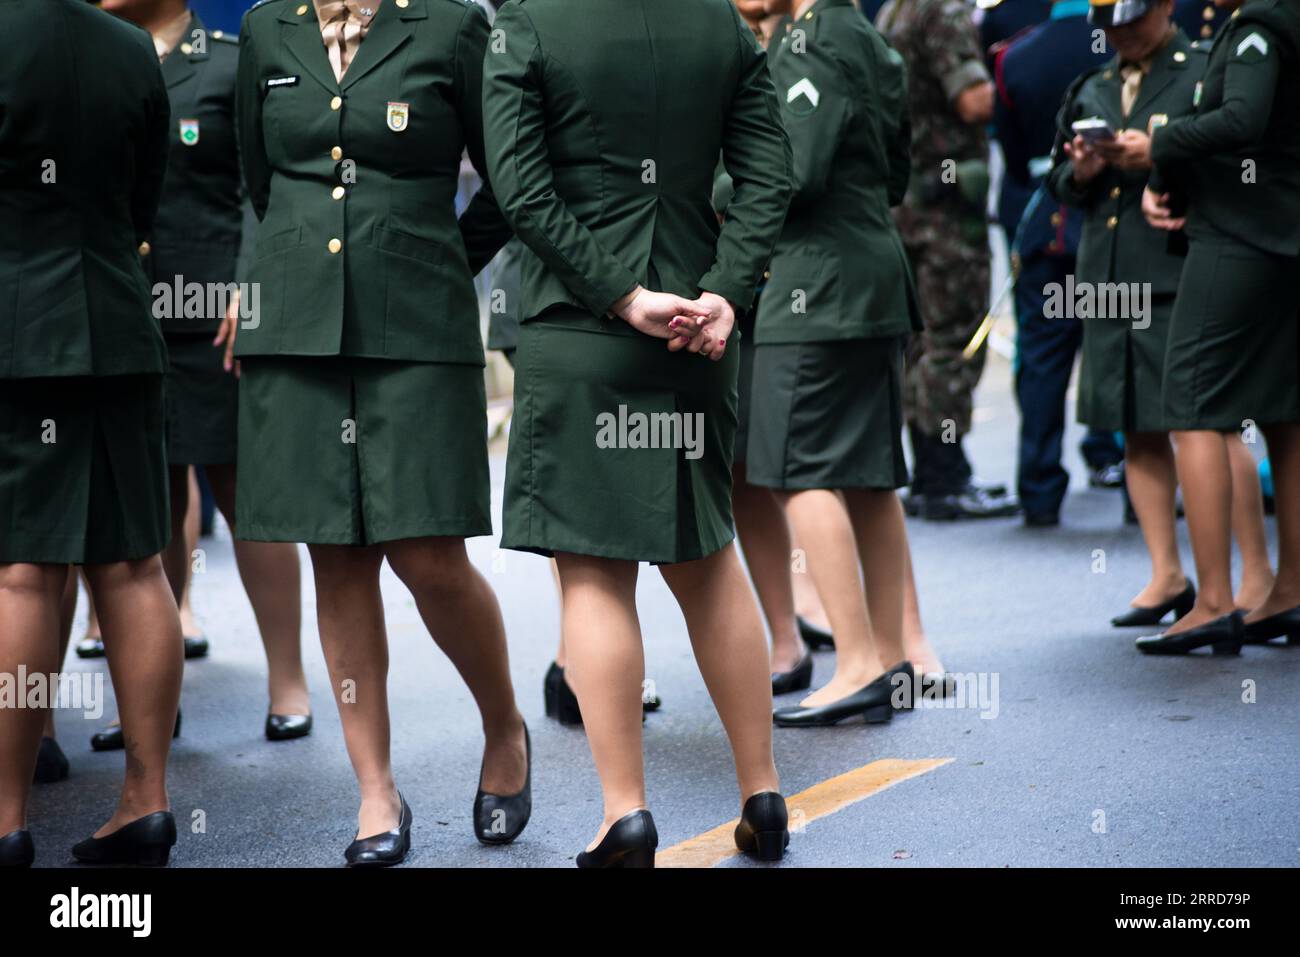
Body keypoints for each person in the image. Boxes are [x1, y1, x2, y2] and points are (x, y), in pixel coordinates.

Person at [483, 0, 794, 867]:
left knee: (591, 571)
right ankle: (762, 794)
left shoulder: (529, 24)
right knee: (707, 558)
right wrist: (728, 289)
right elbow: (770, 174)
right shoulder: (720, 24)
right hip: (700, 319)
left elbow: (521, 189)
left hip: (584, 326)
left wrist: (621, 294)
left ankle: (626, 813)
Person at [233, 0, 528, 865]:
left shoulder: (452, 25)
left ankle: (503, 725)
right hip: (296, 326)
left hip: (417, 324)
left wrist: (430, 256)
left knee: (429, 552)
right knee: (338, 551)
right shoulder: (265, 27)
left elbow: (507, 181)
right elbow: (260, 179)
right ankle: (375, 790)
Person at [93, 0, 313, 751]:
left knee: (243, 491)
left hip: (216, 308)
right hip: (125, 308)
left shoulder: (225, 60)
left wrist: (251, 288)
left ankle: (289, 681)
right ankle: (151, 701)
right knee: (143, 508)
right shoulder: (101, 58)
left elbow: (267, 186)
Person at [1, 0, 183, 868]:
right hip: (115, 323)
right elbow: (143, 203)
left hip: (18, 336)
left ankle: (4, 816)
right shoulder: (132, 49)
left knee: (26, 573)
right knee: (135, 564)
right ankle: (146, 802)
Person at [747, 0, 923, 724]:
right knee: (868, 477)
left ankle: (854, 661)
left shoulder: (809, 40)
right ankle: (887, 657)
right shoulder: (866, 35)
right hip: (866, 274)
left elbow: (797, 170)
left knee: (800, 470)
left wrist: (716, 188)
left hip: (814, 287)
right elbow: (898, 170)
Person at [1139, 0, 1300, 654]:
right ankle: (1287, 588)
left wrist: (1160, 142)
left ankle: (1211, 601)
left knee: (1193, 406)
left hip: (1241, 236)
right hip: (1280, 234)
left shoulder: (1259, 24)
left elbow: (1244, 119)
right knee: (1287, 413)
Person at [1047, 0, 1206, 620]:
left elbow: (1235, 160)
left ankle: (1240, 585)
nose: (1118, 33)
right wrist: (1082, 170)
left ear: (1166, 8)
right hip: (1110, 278)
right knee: (1133, 424)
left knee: (1201, 426)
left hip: (1174, 269)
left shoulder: (1200, 71)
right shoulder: (1094, 84)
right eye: (1107, 24)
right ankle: (1167, 573)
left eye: (1131, 20)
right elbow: (1057, 183)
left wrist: (1158, 155)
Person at [877, 0, 1021, 521]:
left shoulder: (894, 11)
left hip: (906, 203)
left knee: (920, 342)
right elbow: (975, 100)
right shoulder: (943, 11)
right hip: (946, 207)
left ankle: (930, 471)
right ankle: (944, 476)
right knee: (954, 340)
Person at [994, 0, 1126, 526]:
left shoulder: (1018, 55)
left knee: (1044, 360)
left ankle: (1040, 489)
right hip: (1112, 231)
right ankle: (1132, 482)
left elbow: (1012, 147)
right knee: (1120, 356)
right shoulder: (1127, 48)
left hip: (1046, 227)